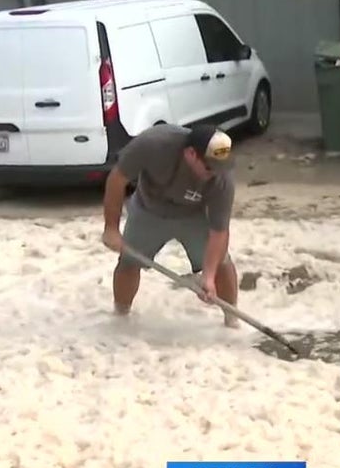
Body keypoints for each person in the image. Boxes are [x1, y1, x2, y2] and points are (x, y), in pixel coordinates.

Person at [100, 123, 241, 325]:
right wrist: (111, 228)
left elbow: (219, 232)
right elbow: (117, 179)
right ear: (191, 154)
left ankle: (232, 320)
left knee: (221, 262)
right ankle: (120, 318)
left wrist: (208, 277)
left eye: (221, 167)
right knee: (128, 262)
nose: (215, 173)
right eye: (209, 167)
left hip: (193, 215)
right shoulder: (153, 143)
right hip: (149, 208)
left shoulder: (222, 179)